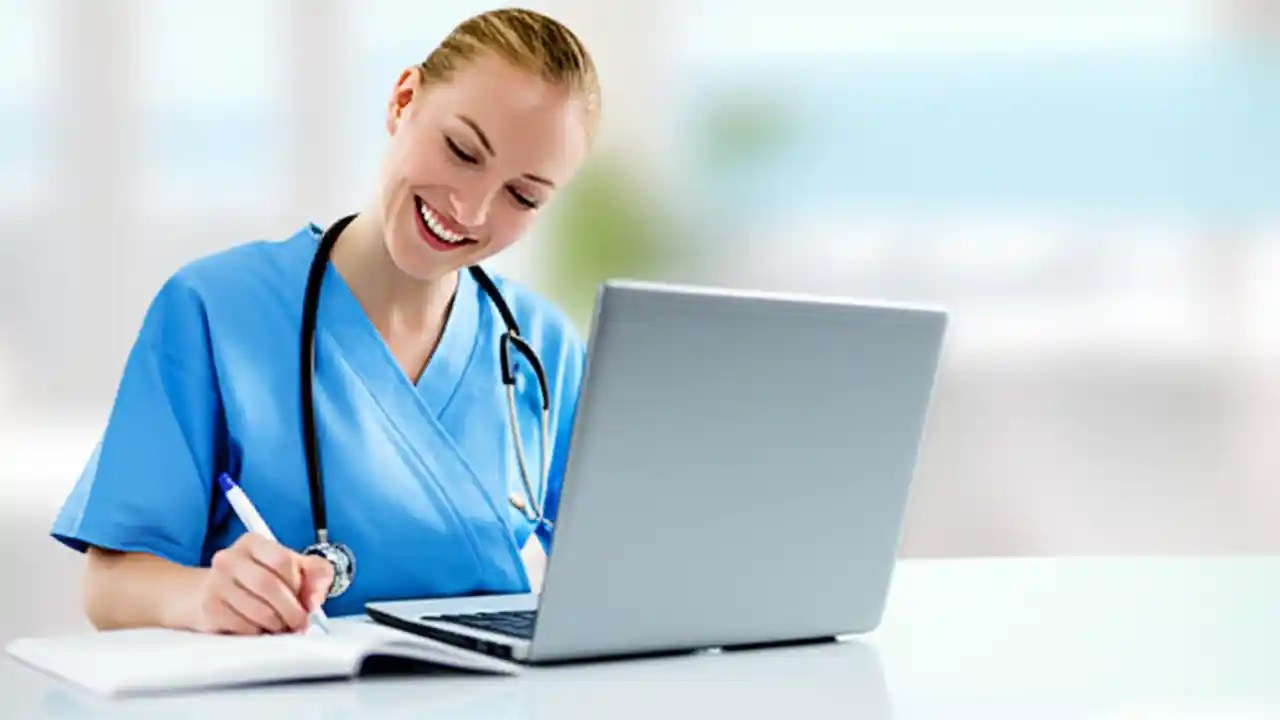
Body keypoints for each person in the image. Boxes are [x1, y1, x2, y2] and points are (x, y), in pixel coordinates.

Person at [49, 8, 600, 635]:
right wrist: (204, 597)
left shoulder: (542, 346)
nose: (471, 208)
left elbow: (618, 571)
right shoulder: (217, 308)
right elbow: (109, 583)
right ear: (403, 100)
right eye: (461, 151)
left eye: (523, 195)